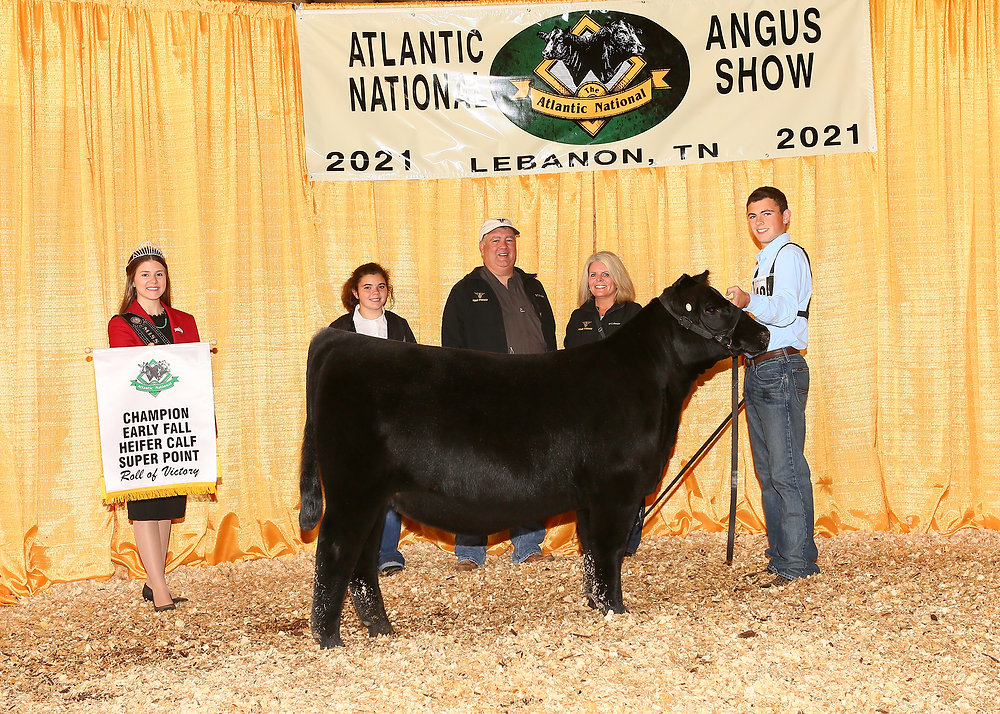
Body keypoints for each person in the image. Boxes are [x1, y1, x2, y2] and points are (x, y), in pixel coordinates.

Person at [441, 217, 557, 571]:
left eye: (509, 239)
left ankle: (528, 546)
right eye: (495, 240)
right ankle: (470, 551)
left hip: (534, 392)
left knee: (531, 470)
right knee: (476, 471)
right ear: (482, 247)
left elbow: (549, 337)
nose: (503, 246)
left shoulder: (534, 287)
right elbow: (451, 348)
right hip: (486, 394)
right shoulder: (465, 291)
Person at [725, 186, 819, 588]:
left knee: (786, 469)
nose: (759, 222)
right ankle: (783, 556)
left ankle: (796, 563)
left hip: (780, 367)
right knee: (769, 471)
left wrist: (748, 300)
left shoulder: (790, 255)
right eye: (752, 216)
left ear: (786, 216)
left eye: (766, 213)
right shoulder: (765, 261)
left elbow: (784, 310)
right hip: (762, 368)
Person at [108, 242, 200, 612]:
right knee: (146, 505)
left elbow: (195, 373)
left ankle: (153, 581)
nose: (153, 280)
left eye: (159, 273)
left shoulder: (185, 321)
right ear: (132, 280)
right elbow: (131, 370)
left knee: (167, 505)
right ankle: (160, 589)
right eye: (145, 274)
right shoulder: (121, 324)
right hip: (142, 424)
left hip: (178, 422)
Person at [329, 263, 416, 577]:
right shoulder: (339, 330)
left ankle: (387, 552)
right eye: (367, 287)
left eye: (380, 286)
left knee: (390, 490)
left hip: (393, 422)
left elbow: (415, 370)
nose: (375, 293)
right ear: (355, 292)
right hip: (354, 422)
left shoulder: (399, 326)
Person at [564, 251, 645, 555]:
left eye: (605, 274)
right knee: (587, 476)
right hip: (586, 412)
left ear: (617, 279)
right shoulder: (579, 317)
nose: (599, 280)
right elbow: (568, 363)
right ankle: (591, 541)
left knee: (626, 473)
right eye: (593, 275)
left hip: (624, 411)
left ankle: (626, 541)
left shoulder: (634, 313)